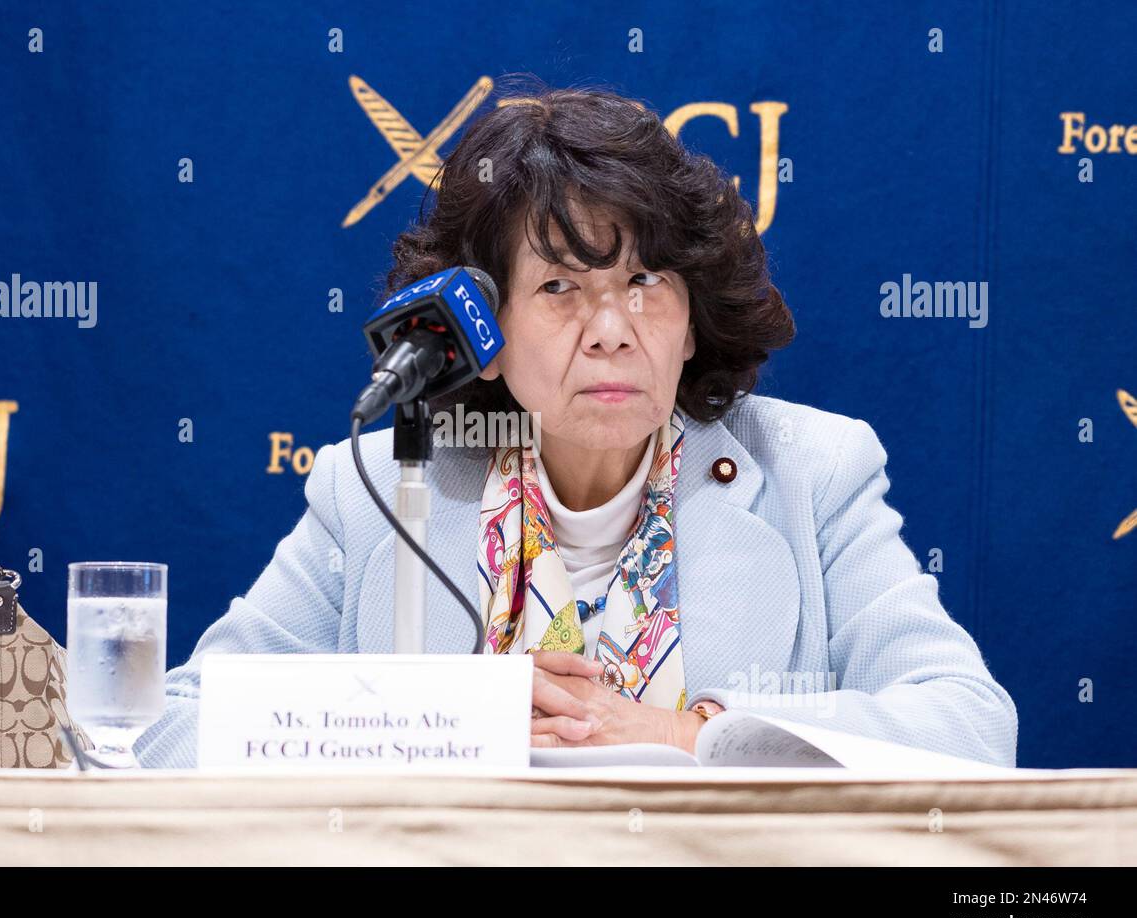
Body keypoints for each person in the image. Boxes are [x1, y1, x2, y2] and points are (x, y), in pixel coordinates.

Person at [134, 83, 1017, 769]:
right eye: (559, 287)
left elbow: (968, 725)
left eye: (645, 282)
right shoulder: (374, 492)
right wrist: (454, 724)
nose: (611, 327)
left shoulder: (813, 470)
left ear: (693, 318)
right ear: (487, 333)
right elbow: (167, 735)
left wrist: (690, 732)